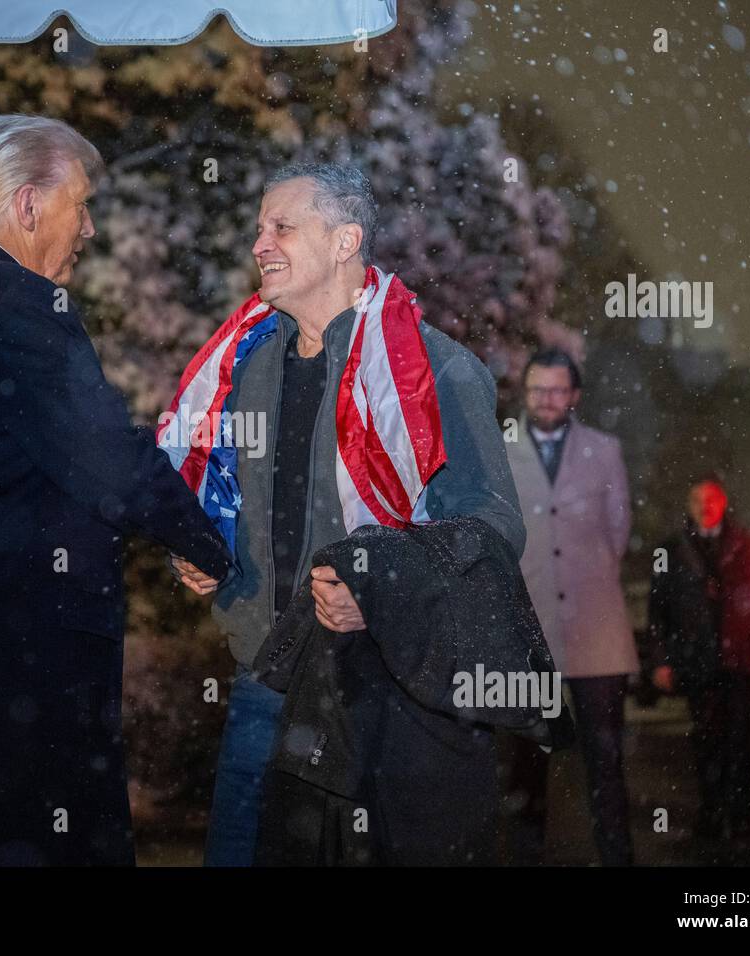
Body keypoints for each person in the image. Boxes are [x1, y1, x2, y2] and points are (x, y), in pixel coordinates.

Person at [0, 115, 230, 865]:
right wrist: (208, 543)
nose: (88, 227)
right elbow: (107, 456)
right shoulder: (14, 305)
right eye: (79, 204)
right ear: (27, 206)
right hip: (8, 685)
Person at [169, 163, 526, 866]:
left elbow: (491, 526)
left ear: (344, 241)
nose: (259, 244)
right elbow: (225, 499)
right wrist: (202, 548)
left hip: (384, 693)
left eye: (282, 226)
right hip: (263, 686)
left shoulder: (434, 372)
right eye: (258, 228)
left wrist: (382, 588)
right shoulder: (241, 369)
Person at [503, 348, 637, 866]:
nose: (547, 400)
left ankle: (616, 856)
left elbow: (617, 531)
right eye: (538, 389)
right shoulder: (500, 448)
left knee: (604, 757)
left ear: (575, 396)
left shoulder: (604, 451)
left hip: (596, 630)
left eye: (558, 390)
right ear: (525, 391)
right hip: (528, 627)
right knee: (527, 760)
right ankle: (527, 855)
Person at [647, 474, 750, 840]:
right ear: (688, 506)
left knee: (741, 743)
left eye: (711, 499)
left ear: (724, 502)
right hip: (697, 660)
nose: (705, 508)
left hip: (741, 660)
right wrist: (661, 660)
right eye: (697, 501)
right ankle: (712, 812)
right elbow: (658, 611)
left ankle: (741, 817)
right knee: (706, 742)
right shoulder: (672, 550)